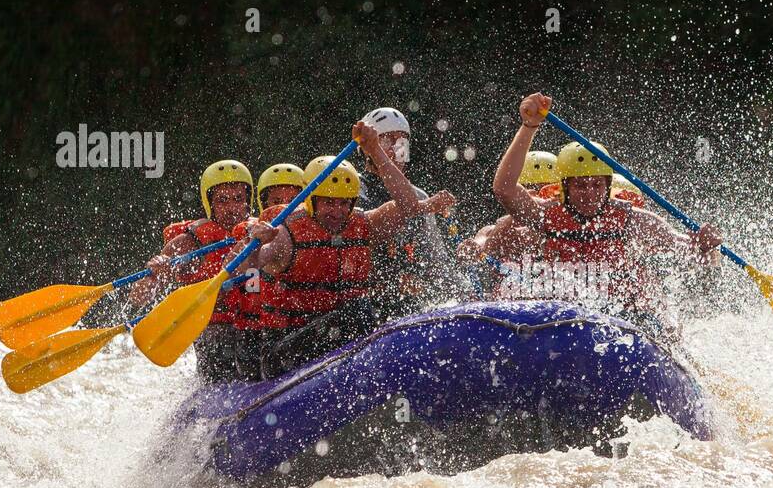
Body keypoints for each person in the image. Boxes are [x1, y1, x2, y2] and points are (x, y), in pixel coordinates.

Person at [490, 92, 722, 334]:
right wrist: (529, 127)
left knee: (665, 329)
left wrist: (705, 247)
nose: (589, 193)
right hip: (569, 317)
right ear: (564, 187)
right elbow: (504, 189)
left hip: (629, 317)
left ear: (608, 185)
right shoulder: (546, 215)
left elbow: (691, 252)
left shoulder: (632, 219)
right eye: (580, 185)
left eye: (596, 185)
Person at [244, 125, 456, 379]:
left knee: (402, 304)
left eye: (345, 203)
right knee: (359, 313)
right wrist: (252, 244)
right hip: (284, 351)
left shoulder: (363, 224)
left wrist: (375, 150)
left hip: (335, 337)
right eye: (329, 203)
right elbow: (247, 268)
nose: (337, 212)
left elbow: (408, 206)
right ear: (311, 200)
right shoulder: (285, 235)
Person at [131, 159, 253, 382]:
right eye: (223, 200)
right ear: (210, 204)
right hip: (214, 332)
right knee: (220, 341)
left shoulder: (262, 232)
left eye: (238, 199)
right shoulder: (189, 242)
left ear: (248, 201)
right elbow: (138, 297)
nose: (232, 208)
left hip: (254, 327)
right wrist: (158, 271)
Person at [356, 106, 469, 319]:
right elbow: (371, 228)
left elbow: (436, 262)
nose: (397, 149)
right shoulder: (355, 187)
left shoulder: (418, 195)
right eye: (388, 141)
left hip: (411, 303)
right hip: (369, 304)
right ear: (368, 148)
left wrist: (464, 291)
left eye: (402, 142)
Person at [230, 162, 307, 378]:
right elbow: (238, 271)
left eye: (292, 200)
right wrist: (253, 246)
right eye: (276, 201)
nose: (284, 207)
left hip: (295, 328)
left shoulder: (313, 233)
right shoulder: (252, 235)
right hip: (253, 333)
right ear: (263, 205)